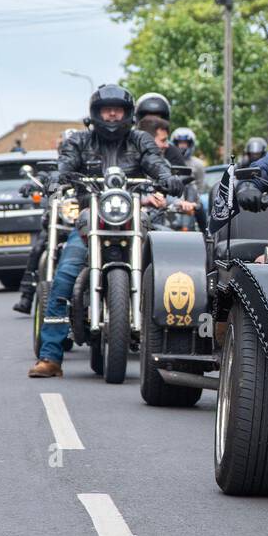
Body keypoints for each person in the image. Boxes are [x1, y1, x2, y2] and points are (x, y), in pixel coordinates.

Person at [28, 85, 183, 377]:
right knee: (63, 278)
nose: (112, 114)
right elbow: (65, 165)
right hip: (91, 218)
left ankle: (173, 352)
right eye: (105, 109)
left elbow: (155, 163)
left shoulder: (140, 141)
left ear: (128, 113)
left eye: (118, 109)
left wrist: (167, 177)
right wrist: (54, 177)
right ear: (95, 114)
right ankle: (50, 358)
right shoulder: (80, 142)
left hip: (133, 217)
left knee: (164, 273)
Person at [12, 128, 78, 314]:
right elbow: (40, 178)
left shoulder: (87, 168)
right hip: (58, 221)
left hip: (81, 221)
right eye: (66, 147)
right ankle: (26, 297)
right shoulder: (53, 169)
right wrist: (31, 185)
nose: (69, 151)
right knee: (38, 247)